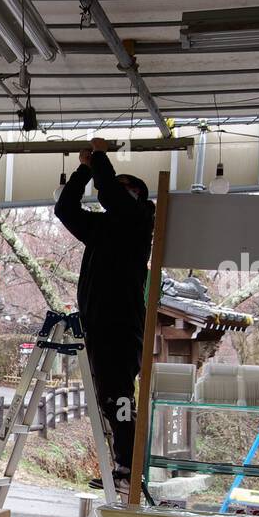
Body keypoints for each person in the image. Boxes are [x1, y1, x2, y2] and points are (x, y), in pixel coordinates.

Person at [53, 137, 155, 494]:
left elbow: (111, 196)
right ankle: (123, 465)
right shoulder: (103, 228)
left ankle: (130, 467)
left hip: (123, 326)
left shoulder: (140, 222)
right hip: (97, 323)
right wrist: (83, 169)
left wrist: (98, 159)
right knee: (108, 399)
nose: (116, 192)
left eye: (126, 188)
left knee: (119, 396)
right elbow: (64, 209)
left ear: (139, 197)